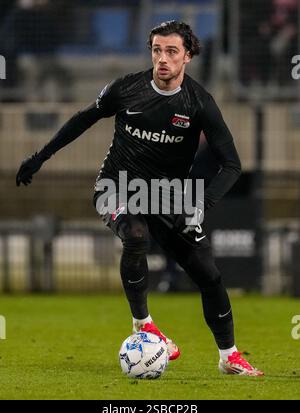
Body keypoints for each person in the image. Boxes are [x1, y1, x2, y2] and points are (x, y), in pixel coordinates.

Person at [16, 21, 263, 376]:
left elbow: (232, 165)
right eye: (156, 50)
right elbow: (82, 120)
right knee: (135, 238)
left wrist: (200, 204)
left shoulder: (199, 103)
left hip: (168, 196)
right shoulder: (126, 89)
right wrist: (40, 156)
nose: (162, 59)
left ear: (188, 56)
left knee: (208, 274)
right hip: (115, 186)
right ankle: (143, 323)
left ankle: (229, 356)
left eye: (172, 52)